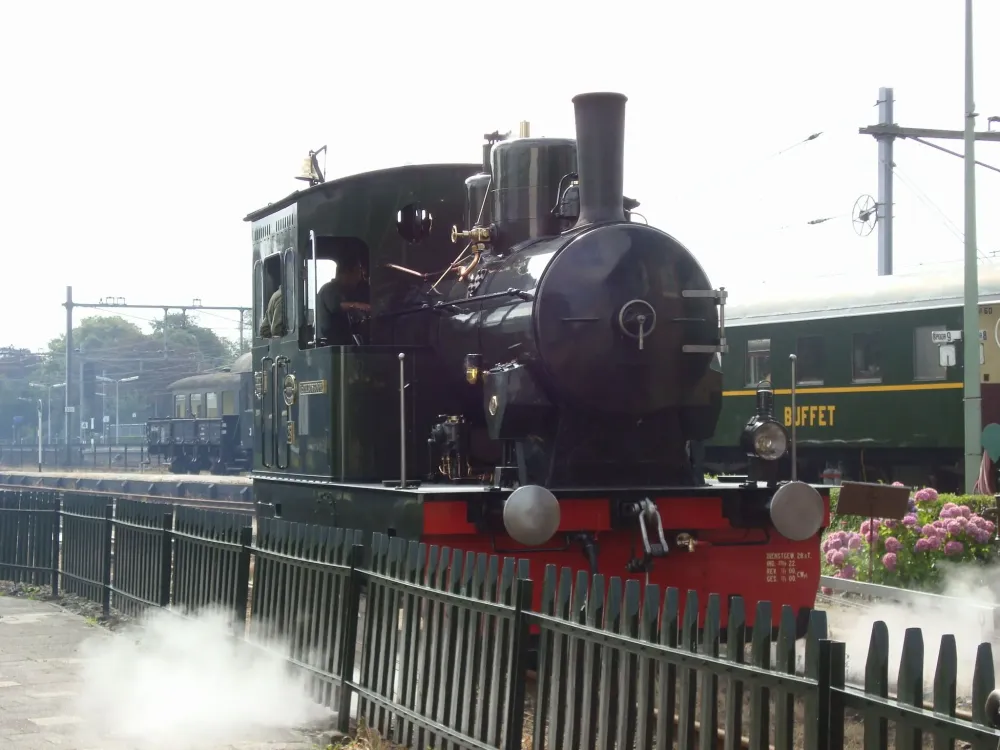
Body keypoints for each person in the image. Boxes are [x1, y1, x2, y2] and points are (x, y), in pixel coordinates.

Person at [317, 258, 370, 344]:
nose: (360, 278)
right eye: (359, 273)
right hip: (330, 348)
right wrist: (358, 305)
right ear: (348, 272)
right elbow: (335, 306)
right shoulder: (329, 289)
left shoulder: (341, 292)